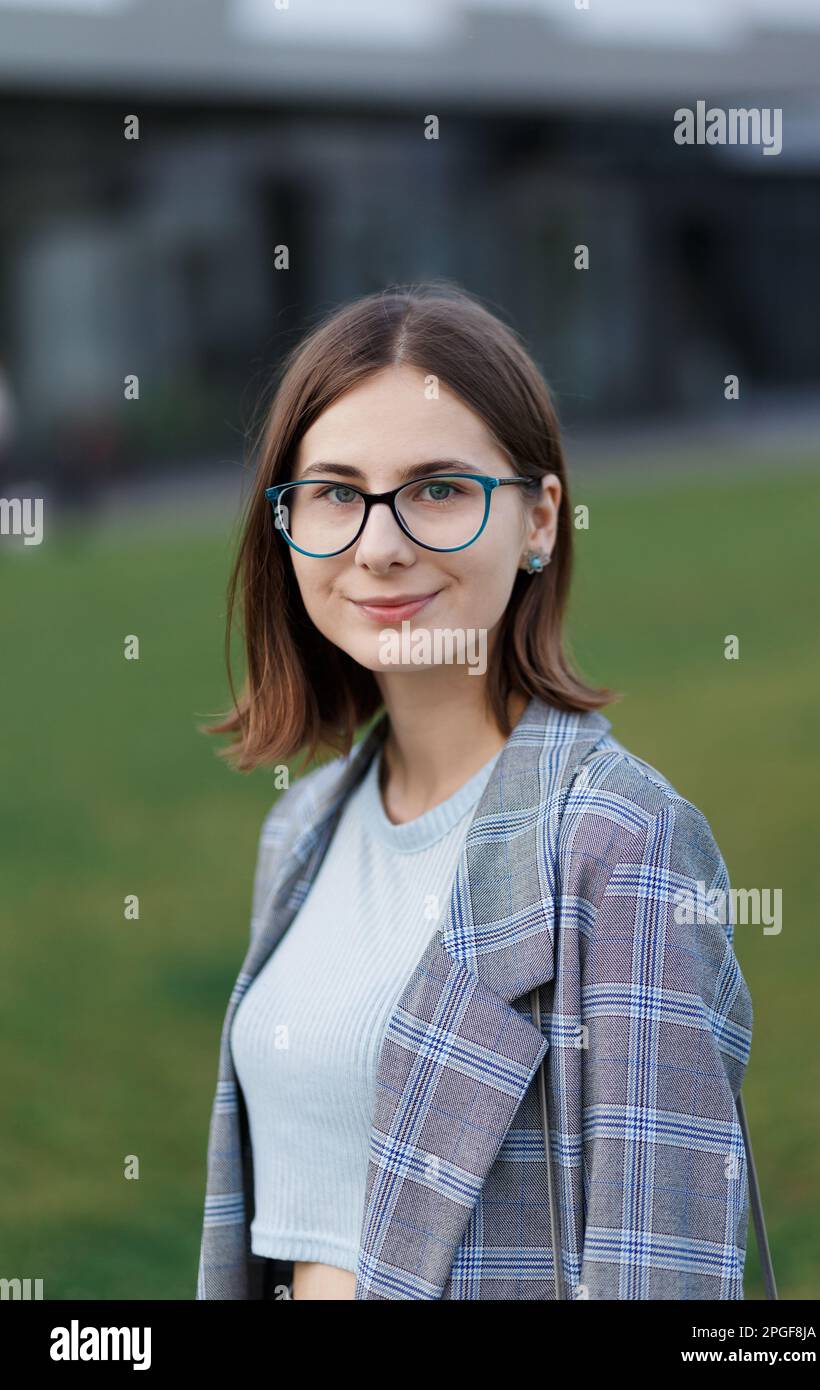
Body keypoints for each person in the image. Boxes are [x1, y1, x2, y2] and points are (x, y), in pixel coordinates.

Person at [195, 283, 753, 1301]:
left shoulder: (619, 843)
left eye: (437, 488)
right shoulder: (300, 830)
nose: (378, 545)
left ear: (538, 519)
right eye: (333, 491)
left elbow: (661, 1277)